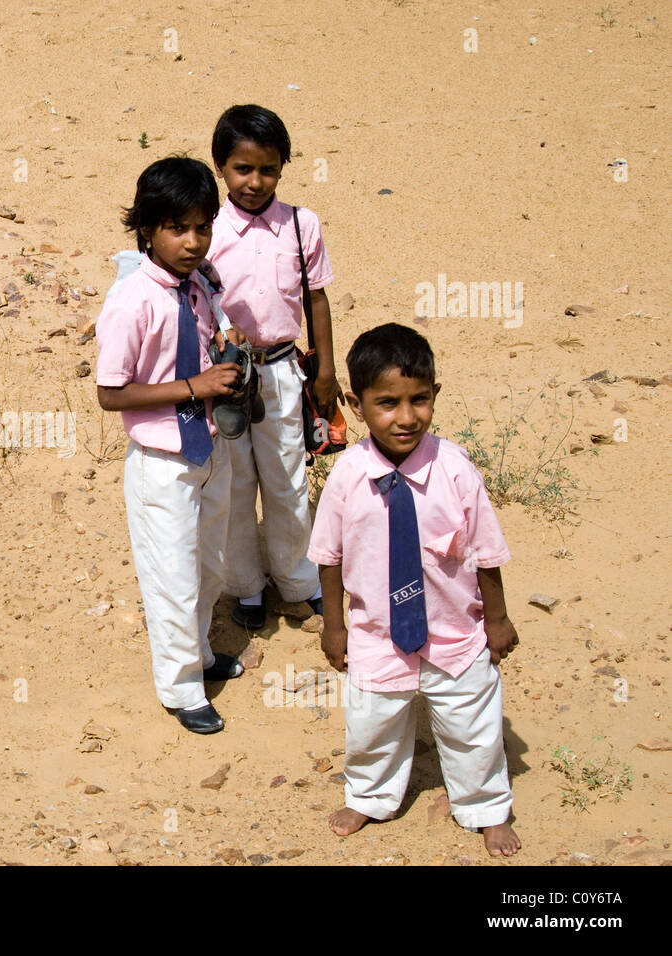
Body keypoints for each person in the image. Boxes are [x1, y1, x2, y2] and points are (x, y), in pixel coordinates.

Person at [307, 323, 521, 856]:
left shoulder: (456, 472)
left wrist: (496, 619)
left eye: (418, 400)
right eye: (387, 403)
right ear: (356, 405)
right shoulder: (348, 477)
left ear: (435, 395)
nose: (406, 417)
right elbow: (328, 559)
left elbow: (486, 554)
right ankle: (369, 796)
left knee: (474, 727)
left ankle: (486, 806)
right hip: (378, 636)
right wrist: (335, 627)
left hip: (456, 634)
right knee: (372, 725)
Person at [96, 156, 245, 735]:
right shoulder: (132, 301)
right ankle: (182, 689)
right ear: (148, 230)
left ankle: (202, 656)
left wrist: (226, 348)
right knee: (172, 578)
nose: (192, 241)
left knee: (210, 567)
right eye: (177, 228)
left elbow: (206, 339)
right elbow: (111, 393)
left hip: (209, 450)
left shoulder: (201, 285)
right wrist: (194, 386)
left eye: (202, 227)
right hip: (162, 462)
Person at [206, 104, 343, 629]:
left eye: (268, 169)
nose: (255, 181)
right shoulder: (208, 231)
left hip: (285, 372)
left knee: (288, 481)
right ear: (221, 167)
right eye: (243, 169)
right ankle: (245, 586)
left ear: (283, 167)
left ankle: (298, 580)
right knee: (236, 485)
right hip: (228, 377)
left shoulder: (301, 225)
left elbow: (318, 300)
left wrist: (325, 371)